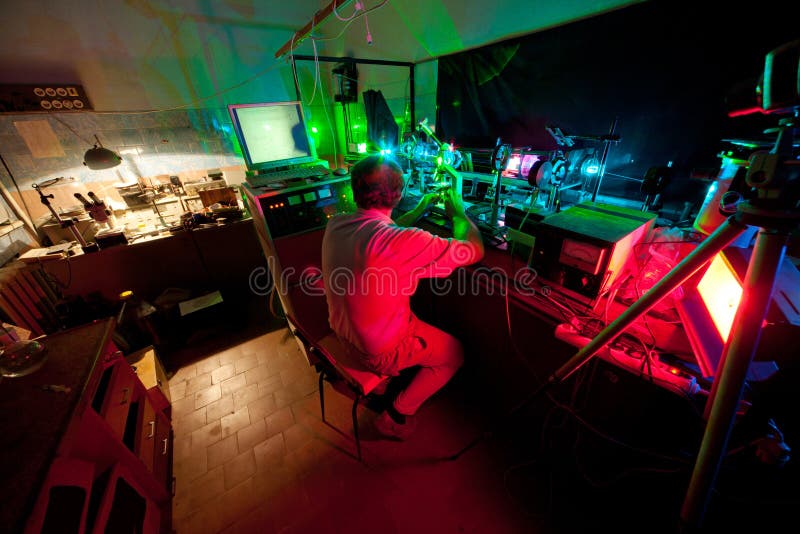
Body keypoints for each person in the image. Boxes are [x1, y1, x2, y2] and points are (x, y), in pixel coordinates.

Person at [321, 154, 485, 440]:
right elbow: (472, 250)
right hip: (377, 352)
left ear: (356, 190)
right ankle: (396, 416)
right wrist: (458, 211)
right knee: (454, 353)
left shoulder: (336, 225)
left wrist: (421, 208)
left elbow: (385, 231)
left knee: (408, 317)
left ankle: (381, 386)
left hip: (342, 336)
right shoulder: (402, 241)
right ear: (397, 195)